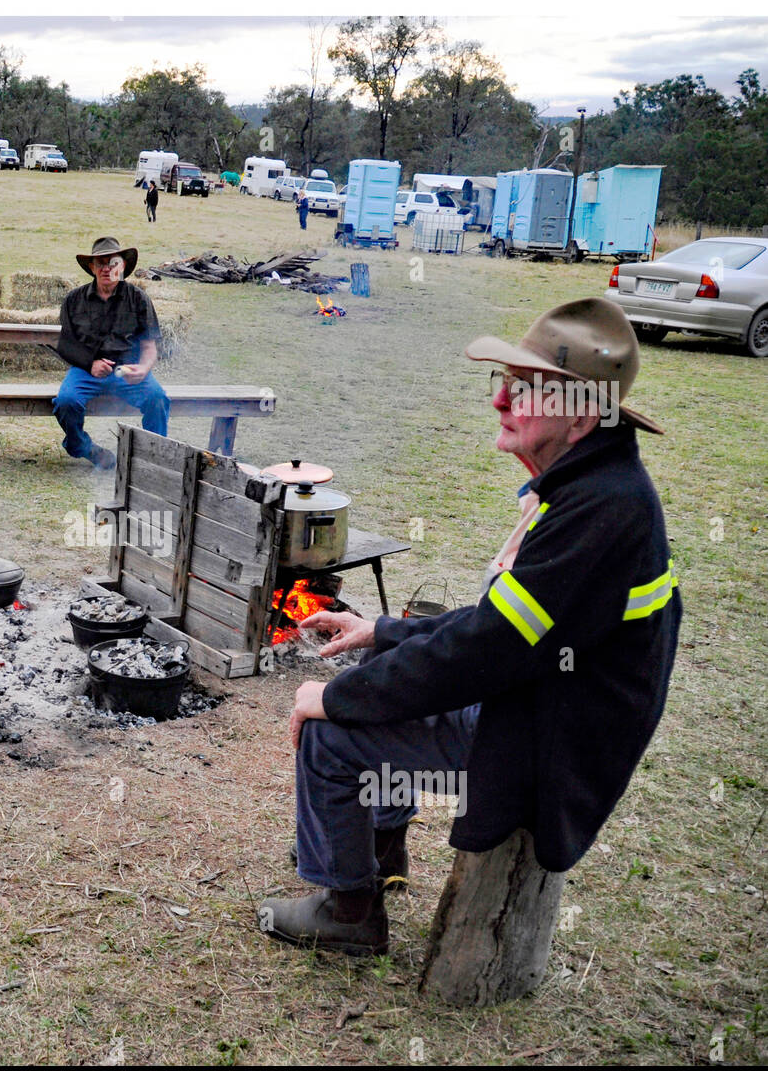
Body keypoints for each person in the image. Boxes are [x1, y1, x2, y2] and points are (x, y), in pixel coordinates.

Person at [258, 298, 681, 955]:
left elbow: (481, 653)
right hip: (543, 703)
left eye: (525, 389)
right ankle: (381, 849)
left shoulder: (600, 510)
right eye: (503, 383)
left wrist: (330, 697)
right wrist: (382, 632)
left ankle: (348, 913)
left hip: (551, 744)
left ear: (581, 415)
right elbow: (503, 626)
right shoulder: (595, 484)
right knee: (379, 667)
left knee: (331, 732)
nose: (500, 401)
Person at [53, 237, 170, 470]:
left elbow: (149, 347)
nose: (107, 268)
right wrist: (91, 364)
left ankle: (152, 459)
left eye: (113, 263)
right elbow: (66, 345)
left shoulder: (138, 299)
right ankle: (83, 448)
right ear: (92, 267)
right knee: (66, 402)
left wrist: (144, 369)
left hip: (127, 371)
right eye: (101, 263)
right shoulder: (73, 300)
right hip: (87, 372)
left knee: (157, 399)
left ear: (123, 267)